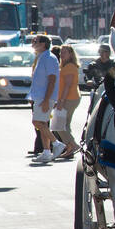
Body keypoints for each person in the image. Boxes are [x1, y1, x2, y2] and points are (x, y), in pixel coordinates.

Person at [29, 35, 61, 163]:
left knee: (37, 123)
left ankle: (57, 144)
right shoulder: (42, 57)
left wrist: (47, 100)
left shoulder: (49, 58)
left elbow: (52, 80)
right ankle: (46, 152)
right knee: (42, 124)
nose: (33, 43)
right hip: (40, 96)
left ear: (43, 44)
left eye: (35, 41)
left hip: (44, 97)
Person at [52, 43, 81, 160]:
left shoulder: (69, 67)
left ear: (71, 54)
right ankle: (70, 148)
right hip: (69, 98)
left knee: (57, 125)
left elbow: (68, 85)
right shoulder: (65, 66)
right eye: (61, 52)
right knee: (65, 125)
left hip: (69, 98)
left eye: (64, 52)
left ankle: (73, 145)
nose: (61, 54)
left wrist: (61, 101)